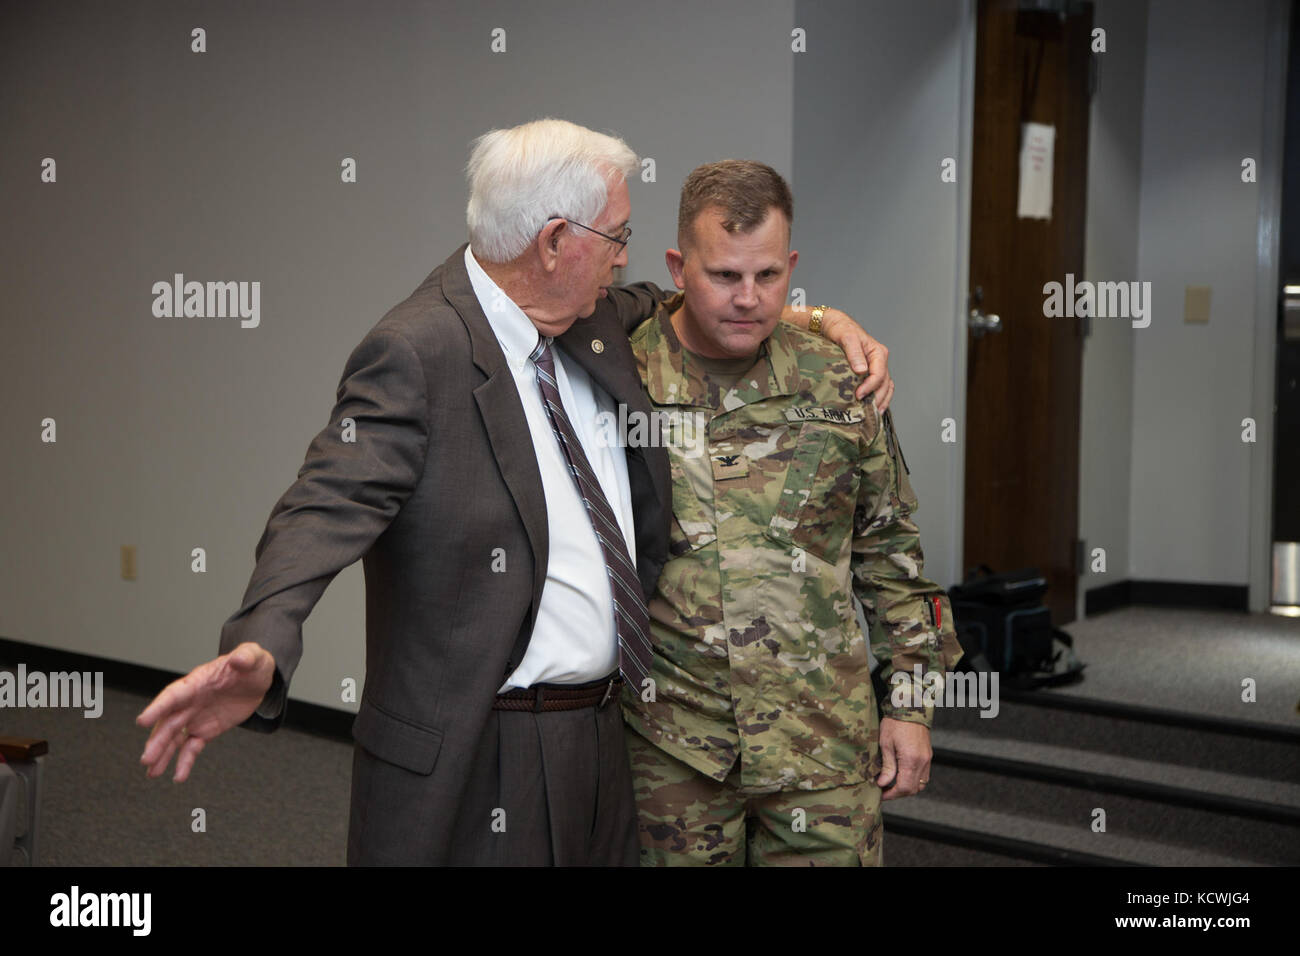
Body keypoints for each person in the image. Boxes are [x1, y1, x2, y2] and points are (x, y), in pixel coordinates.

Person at [134, 120, 894, 866]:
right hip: (484, 745)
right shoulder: (418, 352)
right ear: (556, 242)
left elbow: (704, 303)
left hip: (604, 738)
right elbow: (326, 502)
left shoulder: (592, 320)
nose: (624, 261)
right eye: (617, 239)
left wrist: (821, 318)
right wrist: (263, 639)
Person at [621, 160, 963, 866]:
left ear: (792, 266)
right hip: (673, 746)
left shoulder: (840, 380)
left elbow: (893, 560)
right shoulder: (620, 380)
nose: (748, 298)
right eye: (724, 276)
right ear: (678, 266)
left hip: (823, 741)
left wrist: (910, 706)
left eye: (769, 276)